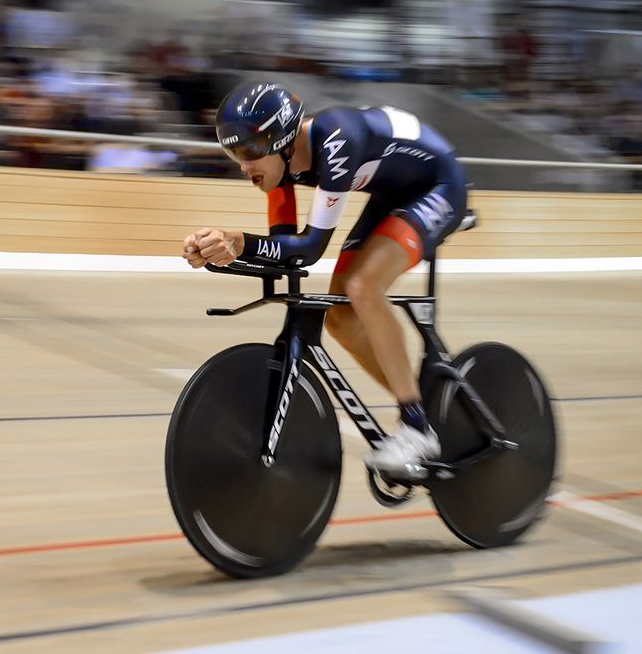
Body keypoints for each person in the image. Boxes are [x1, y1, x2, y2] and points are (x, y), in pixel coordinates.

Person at [182, 81, 468, 479]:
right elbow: (283, 251)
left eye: (248, 152)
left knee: (362, 287)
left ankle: (417, 429)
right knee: (341, 319)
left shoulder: (337, 138)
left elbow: (309, 248)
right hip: (392, 194)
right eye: (234, 153)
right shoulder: (277, 166)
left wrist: (237, 241)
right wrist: (221, 249)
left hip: (438, 186)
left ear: (281, 140)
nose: (243, 167)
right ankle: (418, 406)